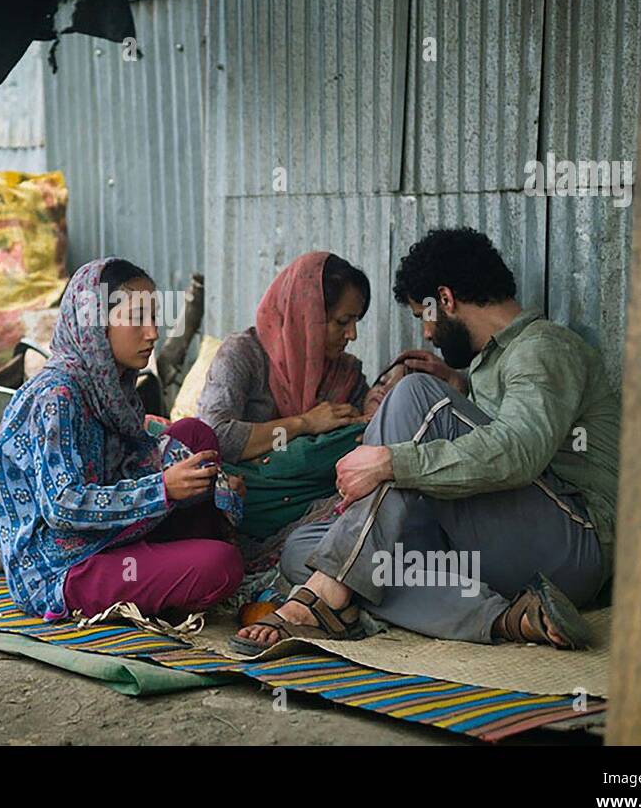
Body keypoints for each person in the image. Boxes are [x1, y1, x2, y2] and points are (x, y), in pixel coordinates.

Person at [232, 227, 619, 653]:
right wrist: (460, 389)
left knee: (413, 394)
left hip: (571, 543)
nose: (428, 334)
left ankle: (328, 600)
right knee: (306, 550)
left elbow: (520, 452)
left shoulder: (543, 347)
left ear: (445, 300)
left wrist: (391, 462)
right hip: (500, 550)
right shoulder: (488, 365)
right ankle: (506, 619)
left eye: (423, 316)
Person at [0, 257, 245, 622]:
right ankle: (177, 570)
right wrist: (163, 489)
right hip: (61, 567)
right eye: (137, 319)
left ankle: (171, 563)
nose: (152, 333)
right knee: (221, 566)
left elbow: (130, 460)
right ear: (94, 322)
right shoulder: (57, 396)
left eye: (154, 317)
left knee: (195, 435)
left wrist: (213, 485)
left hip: (108, 532)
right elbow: (61, 506)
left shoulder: (111, 384)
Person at [198, 251, 373, 465]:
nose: (352, 335)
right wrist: (303, 424)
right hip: (246, 484)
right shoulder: (243, 356)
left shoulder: (345, 375)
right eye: (342, 322)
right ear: (306, 316)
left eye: (355, 321)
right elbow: (215, 437)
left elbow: (369, 429)